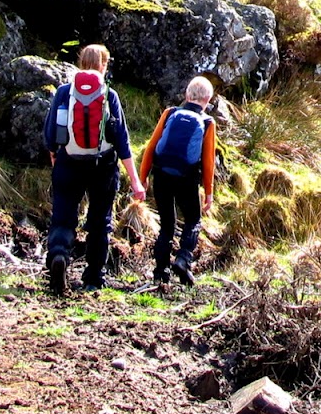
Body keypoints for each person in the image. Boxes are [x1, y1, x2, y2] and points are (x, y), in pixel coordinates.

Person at [42, 44, 145, 295]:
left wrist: (58, 160)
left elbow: (49, 135)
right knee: (99, 222)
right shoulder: (109, 95)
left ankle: (59, 256)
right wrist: (135, 180)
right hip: (103, 166)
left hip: (68, 162)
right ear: (104, 64)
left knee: (63, 217)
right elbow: (122, 139)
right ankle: (93, 279)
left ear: (80, 62)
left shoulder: (64, 92)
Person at [137, 75, 218, 286]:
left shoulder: (170, 113)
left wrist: (142, 177)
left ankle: (160, 272)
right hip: (187, 178)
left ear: (187, 95)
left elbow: (151, 146)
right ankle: (183, 259)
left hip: (161, 174)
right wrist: (209, 192)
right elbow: (208, 162)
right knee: (193, 220)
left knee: (166, 225)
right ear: (207, 100)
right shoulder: (208, 122)